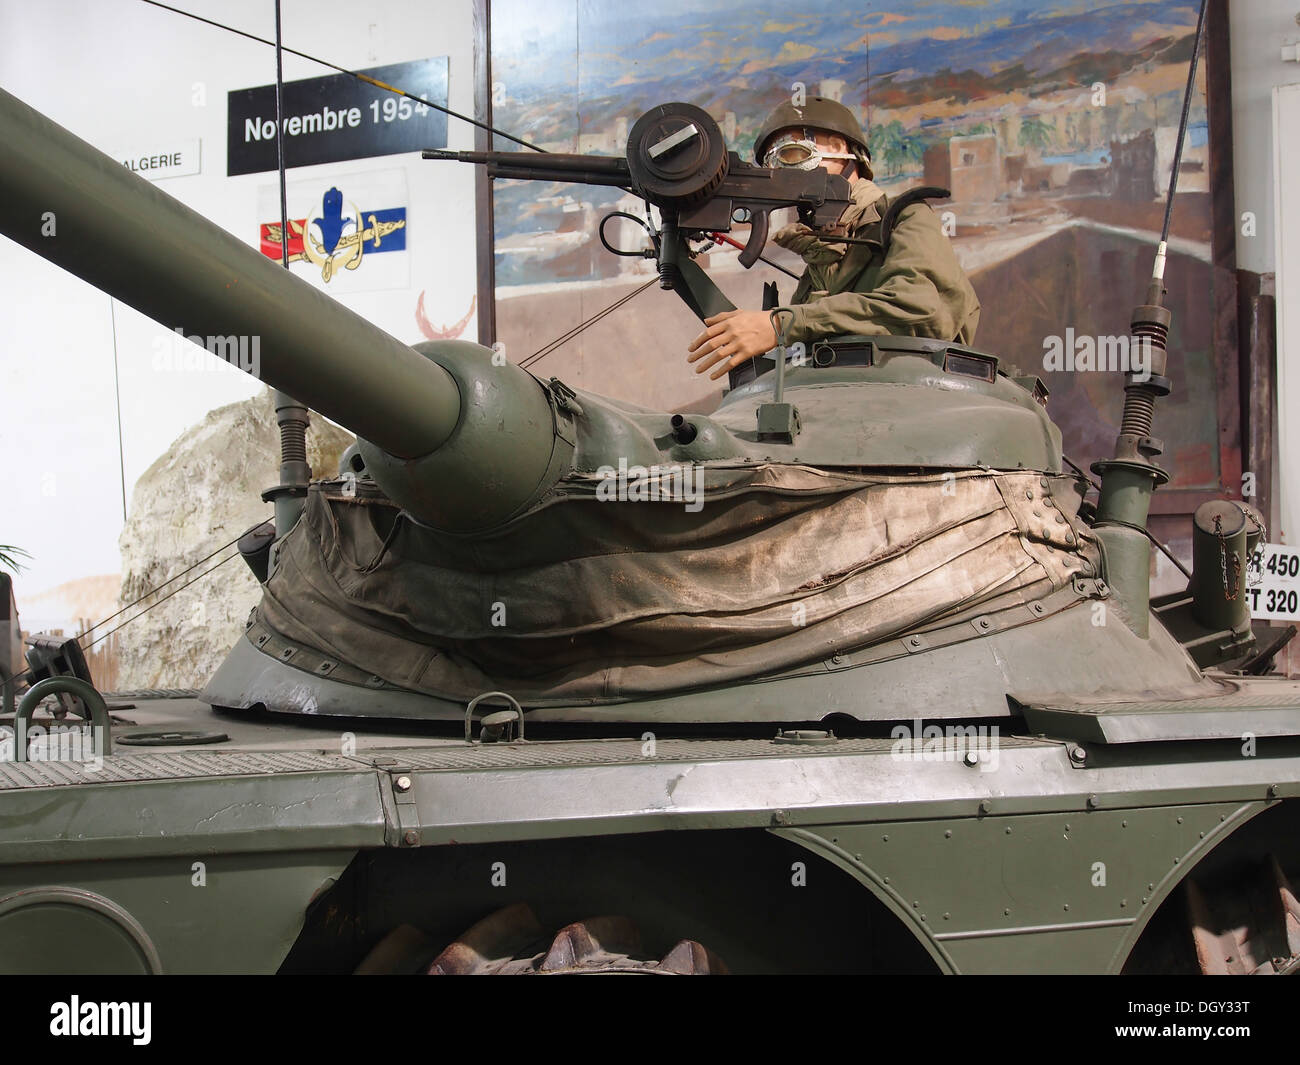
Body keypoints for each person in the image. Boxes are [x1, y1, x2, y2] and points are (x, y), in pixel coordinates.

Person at [687, 96, 981, 380]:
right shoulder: (821, 253)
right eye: (772, 162)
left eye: (791, 153)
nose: (782, 170)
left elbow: (919, 310)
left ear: (839, 147)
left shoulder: (904, 217)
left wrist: (781, 323)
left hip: (915, 396)